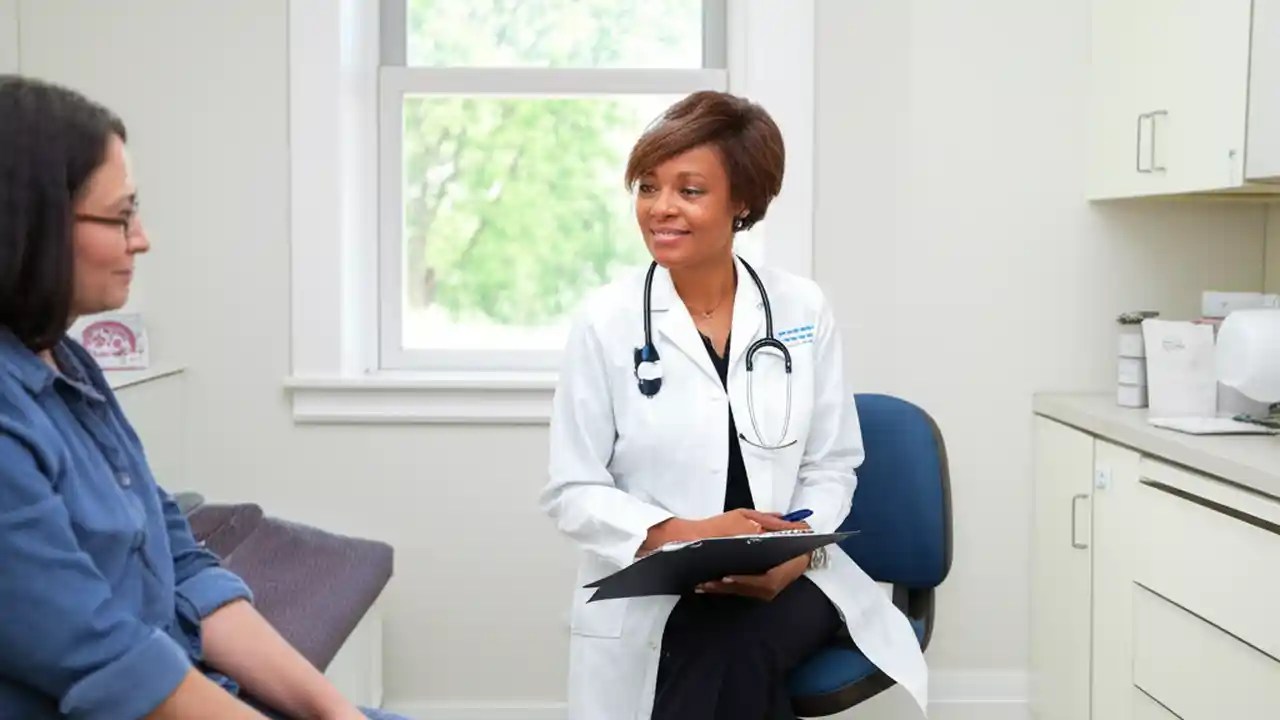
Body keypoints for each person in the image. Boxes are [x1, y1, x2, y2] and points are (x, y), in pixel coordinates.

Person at [0, 75, 409, 720]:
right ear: (32, 227)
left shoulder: (67, 361)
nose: (143, 239)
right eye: (121, 215)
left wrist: (339, 714)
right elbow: (108, 663)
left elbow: (180, 559)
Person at [539, 90, 929, 720]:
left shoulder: (800, 309)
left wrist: (796, 551)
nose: (661, 208)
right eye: (647, 186)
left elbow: (831, 465)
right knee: (720, 651)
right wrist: (685, 536)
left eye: (689, 190)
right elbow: (572, 488)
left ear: (741, 200)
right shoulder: (604, 323)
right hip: (658, 581)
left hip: (792, 576)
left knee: (725, 646)